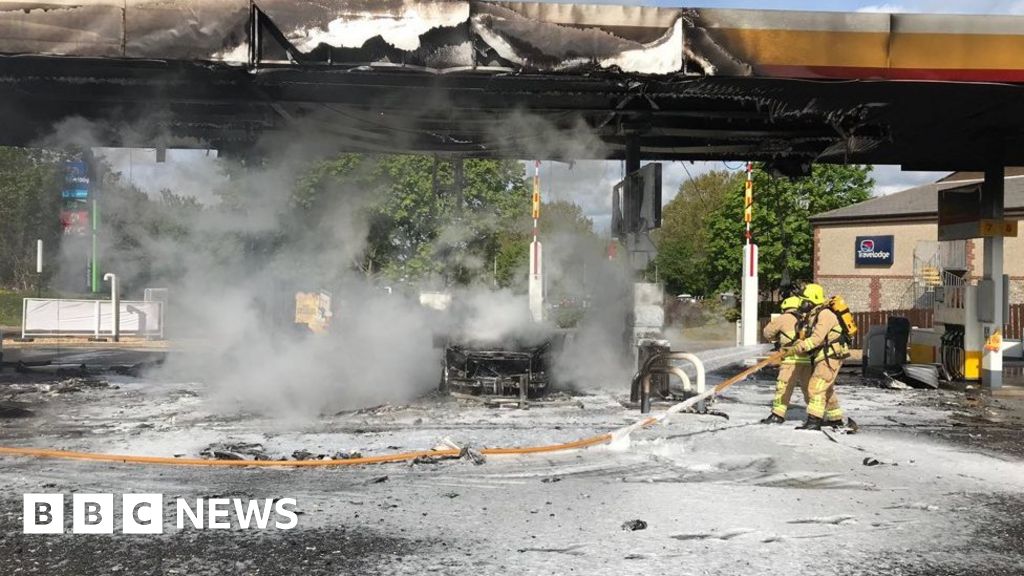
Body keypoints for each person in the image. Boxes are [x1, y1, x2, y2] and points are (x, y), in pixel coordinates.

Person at [793, 284, 857, 432]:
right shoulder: (815, 314)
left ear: (812, 300)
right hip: (826, 355)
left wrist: (801, 346)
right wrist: (800, 342)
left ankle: (814, 421)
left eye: (803, 300)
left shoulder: (825, 314)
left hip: (831, 356)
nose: (800, 304)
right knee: (826, 389)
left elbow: (817, 339)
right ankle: (836, 419)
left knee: (816, 386)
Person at [759, 296, 811, 424]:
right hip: (808, 359)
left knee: (784, 387)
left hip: (790, 359)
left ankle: (778, 414)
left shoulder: (783, 318)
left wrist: (778, 337)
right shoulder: (806, 319)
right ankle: (816, 416)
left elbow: (767, 333)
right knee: (810, 388)